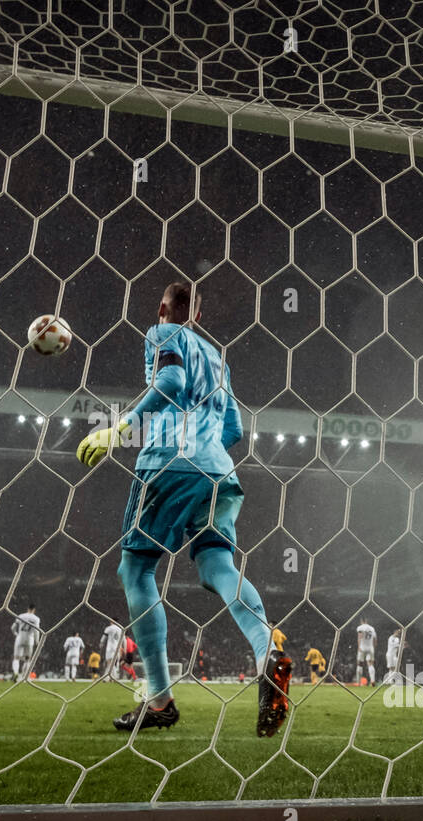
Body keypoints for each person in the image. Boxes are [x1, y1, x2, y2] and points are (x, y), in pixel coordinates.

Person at [77, 281, 290, 736]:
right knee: (217, 566)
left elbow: (170, 381)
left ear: (163, 309)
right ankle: (264, 649)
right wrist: (204, 446)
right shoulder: (218, 358)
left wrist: (119, 430)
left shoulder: (161, 333)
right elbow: (233, 428)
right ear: (195, 312)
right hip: (219, 470)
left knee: (135, 571)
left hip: (168, 463)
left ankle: (159, 700)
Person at [10, 603, 40, 681]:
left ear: (27, 608)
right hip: (30, 639)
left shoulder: (21, 616)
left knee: (16, 658)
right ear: (34, 610)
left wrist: (16, 634)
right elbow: (37, 631)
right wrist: (37, 641)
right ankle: (24, 677)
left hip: (20, 638)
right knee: (27, 659)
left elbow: (13, 627)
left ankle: (16, 673)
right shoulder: (36, 619)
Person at [355, 618, 376, 685]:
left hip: (362, 647)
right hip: (370, 648)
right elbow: (375, 639)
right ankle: (372, 680)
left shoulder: (360, 627)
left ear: (361, 621)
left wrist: (358, 647)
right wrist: (373, 647)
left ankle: (358, 682)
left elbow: (360, 636)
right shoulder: (372, 628)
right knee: (370, 664)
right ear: (366, 621)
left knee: (360, 664)